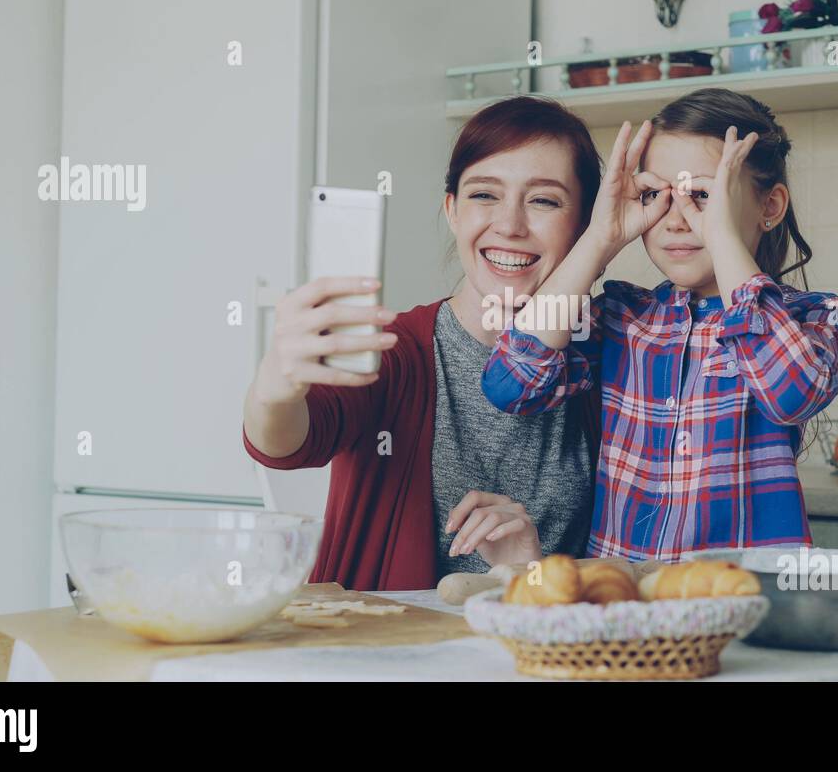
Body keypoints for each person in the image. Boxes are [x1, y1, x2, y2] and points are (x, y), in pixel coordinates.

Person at [243, 96, 603, 590]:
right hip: (386, 654)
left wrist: (530, 572)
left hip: (540, 653)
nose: (511, 225)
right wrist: (273, 388)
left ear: (585, 227)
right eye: (483, 195)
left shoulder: (600, 366)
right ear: (452, 211)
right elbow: (285, 443)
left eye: (544, 200)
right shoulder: (397, 353)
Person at [482, 88, 838, 562]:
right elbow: (511, 383)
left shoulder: (809, 317)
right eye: (657, 195)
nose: (677, 220)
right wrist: (599, 237)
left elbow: (793, 393)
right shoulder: (621, 319)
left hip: (748, 605)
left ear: (770, 207)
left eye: (703, 195)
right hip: (628, 606)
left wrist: (720, 237)